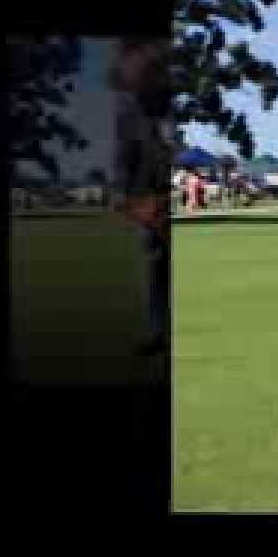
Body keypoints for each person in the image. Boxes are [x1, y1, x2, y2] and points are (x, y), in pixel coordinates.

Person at [111, 38, 173, 360]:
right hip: (148, 198)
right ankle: (158, 331)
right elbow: (124, 157)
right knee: (156, 265)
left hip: (167, 195)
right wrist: (130, 198)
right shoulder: (129, 108)